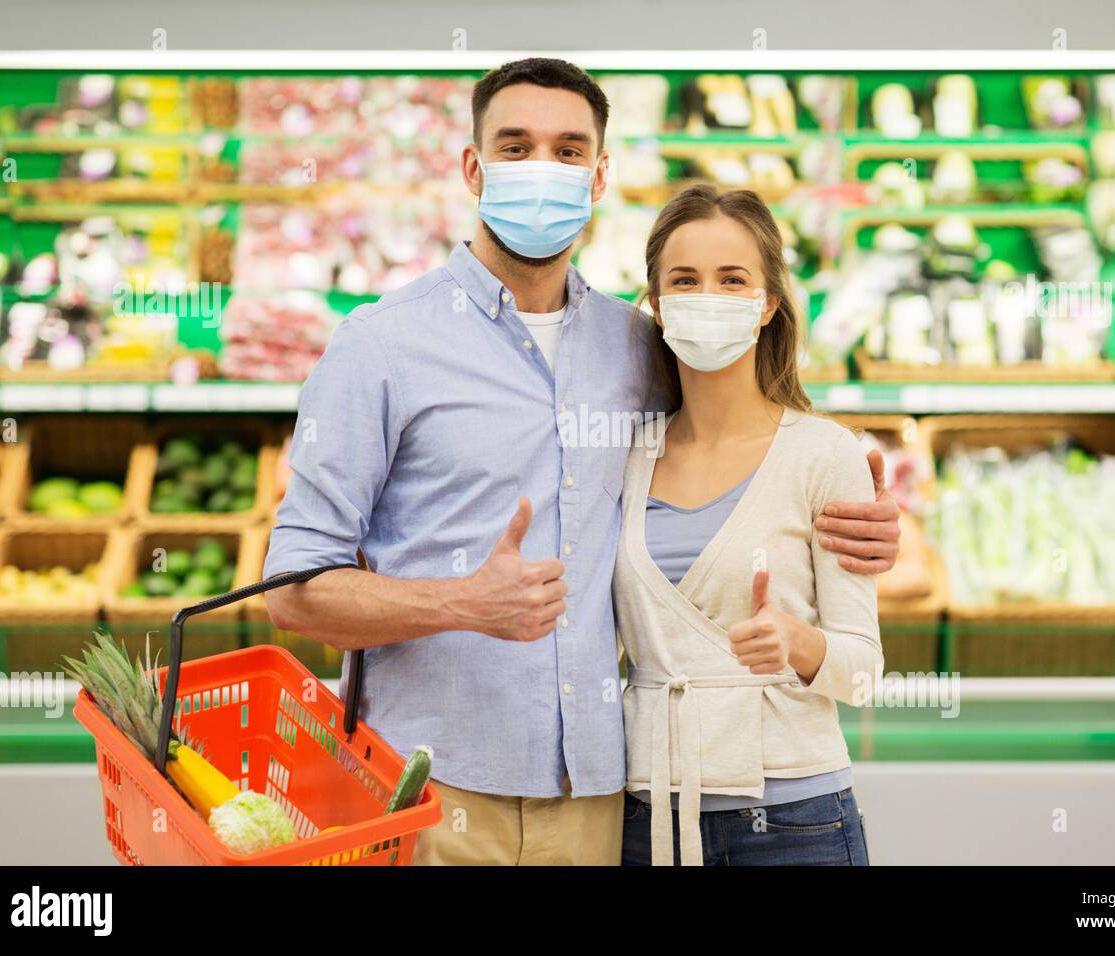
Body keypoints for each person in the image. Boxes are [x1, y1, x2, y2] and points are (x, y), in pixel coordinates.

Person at [263, 58, 899, 866]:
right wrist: (462, 601)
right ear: (473, 168)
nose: (543, 168)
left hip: (600, 797)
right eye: (516, 146)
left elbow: (735, 441)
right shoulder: (380, 346)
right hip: (434, 792)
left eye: (568, 151)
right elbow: (292, 592)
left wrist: (855, 522)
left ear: (598, 176)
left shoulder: (635, 346)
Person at [616, 184, 880, 866]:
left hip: (796, 821)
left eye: (732, 279)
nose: (708, 295)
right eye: (685, 280)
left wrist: (798, 642)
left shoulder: (824, 454)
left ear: (767, 304)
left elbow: (864, 674)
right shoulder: (623, 456)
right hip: (650, 818)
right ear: (657, 305)